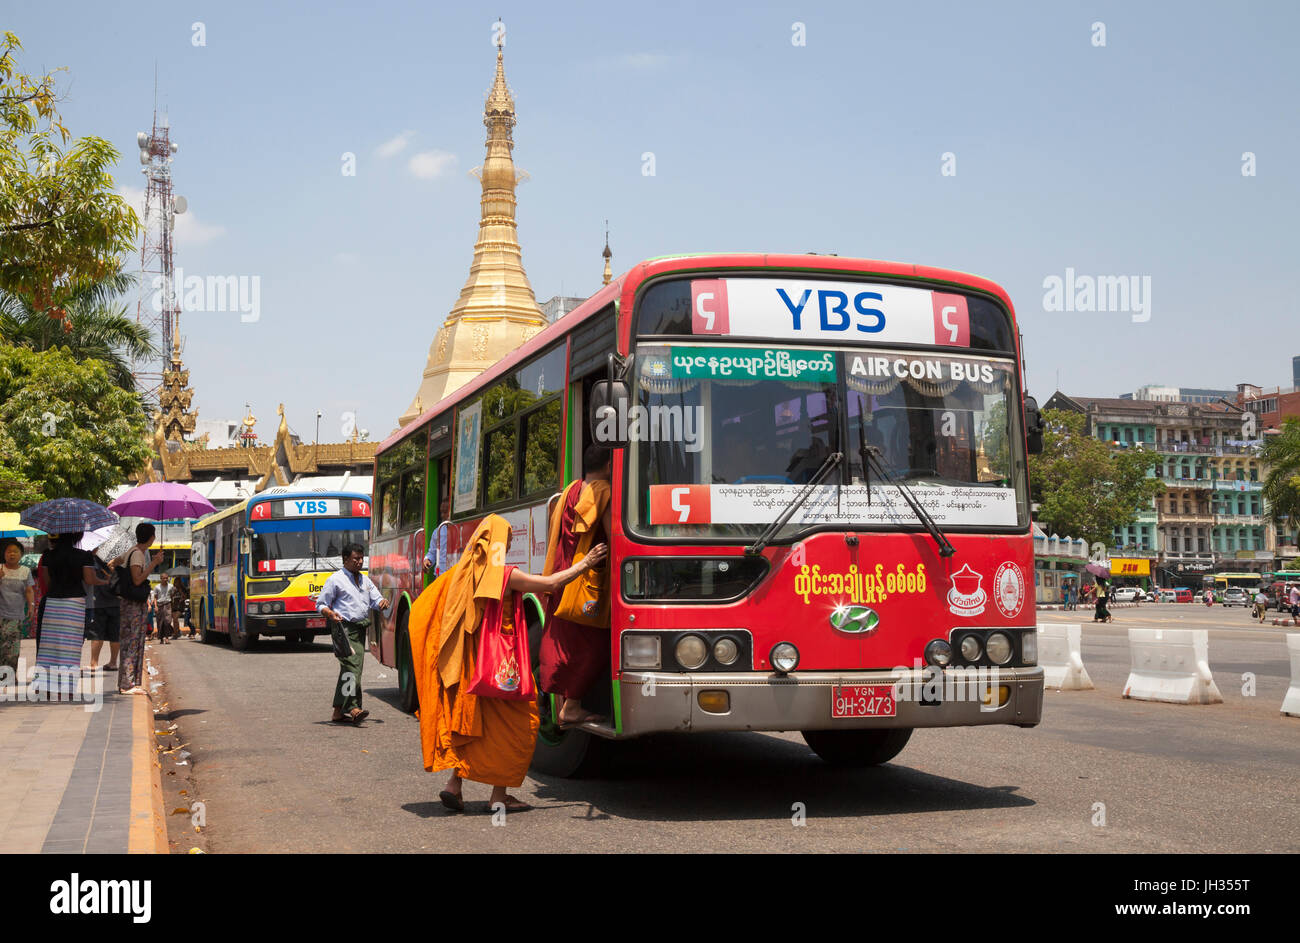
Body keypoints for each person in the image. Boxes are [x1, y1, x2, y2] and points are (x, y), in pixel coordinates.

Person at [408, 515, 606, 813]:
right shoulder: (502, 574)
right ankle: (498, 798)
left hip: (471, 669)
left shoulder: (460, 574)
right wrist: (587, 562)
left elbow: (429, 613)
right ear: (499, 542)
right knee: (520, 725)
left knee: (471, 725)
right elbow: (551, 583)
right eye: (508, 539)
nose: (510, 543)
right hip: (501, 668)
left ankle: (454, 786)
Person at [538, 445, 613, 727]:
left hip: (562, 574)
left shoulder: (571, 489)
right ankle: (572, 706)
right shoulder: (601, 490)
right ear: (609, 466)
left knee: (563, 643)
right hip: (584, 582)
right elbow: (612, 534)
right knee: (596, 644)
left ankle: (559, 702)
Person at [317, 542, 390, 724]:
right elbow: (321, 604)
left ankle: (337, 711)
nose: (359, 562)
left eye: (361, 558)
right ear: (345, 559)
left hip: (359, 630)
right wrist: (330, 613)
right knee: (352, 668)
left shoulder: (365, 580)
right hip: (343, 629)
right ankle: (353, 708)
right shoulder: (336, 580)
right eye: (355, 559)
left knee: (348, 670)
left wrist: (382, 602)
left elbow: (375, 599)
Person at [35, 533, 109, 699]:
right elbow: (90, 579)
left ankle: (44, 688)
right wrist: (104, 581)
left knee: (49, 644)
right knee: (70, 646)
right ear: (77, 536)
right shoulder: (84, 556)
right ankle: (66, 689)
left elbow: (47, 581)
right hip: (74, 604)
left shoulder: (48, 555)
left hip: (53, 602)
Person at [120, 524, 164, 695]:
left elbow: (115, 563)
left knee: (130, 642)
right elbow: (137, 580)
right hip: (133, 604)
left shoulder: (132, 551)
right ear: (151, 537)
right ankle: (128, 684)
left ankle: (128, 682)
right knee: (132, 642)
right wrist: (154, 563)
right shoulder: (138, 554)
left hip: (127, 603)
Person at [1, 538, 35, 680]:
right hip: (1, 613)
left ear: (21, 554)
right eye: (9, 552)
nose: (12, 554)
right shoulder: (0, 569)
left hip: (16, 614)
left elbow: (28, 590)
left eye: (15, 552)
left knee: (13, 648)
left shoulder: (25, 571)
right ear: (4, 554)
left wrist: (31, 606)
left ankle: (11, 673)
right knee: (2, 647)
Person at [85, 554, 122, 673]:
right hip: (117, 601)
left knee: (97, 632)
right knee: (115, 633)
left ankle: (94, 663)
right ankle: (113, 662)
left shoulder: (92, 559)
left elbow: (89, 578)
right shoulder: (118, 559)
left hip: (98, 601)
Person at [422, 498, 452, 579]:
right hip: (440, 576)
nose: (442, 515)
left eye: (445, 512)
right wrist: (427, 560)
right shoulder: (437, 532)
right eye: (441, 512)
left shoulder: (459, 529)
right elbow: (432, 552)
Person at [152, 572, 177, 645]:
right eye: (164, 578)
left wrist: (170, 601)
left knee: (168, 621)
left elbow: (172, 594)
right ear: (161, 579)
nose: (165, 579)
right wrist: (155, 606)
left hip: (168, 604)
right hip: (159, 605)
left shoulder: (171, 586)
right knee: (160, 622)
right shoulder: (157, 587)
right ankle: (161, 638)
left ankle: (167, 637)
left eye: (167, 578)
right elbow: (155, 598)